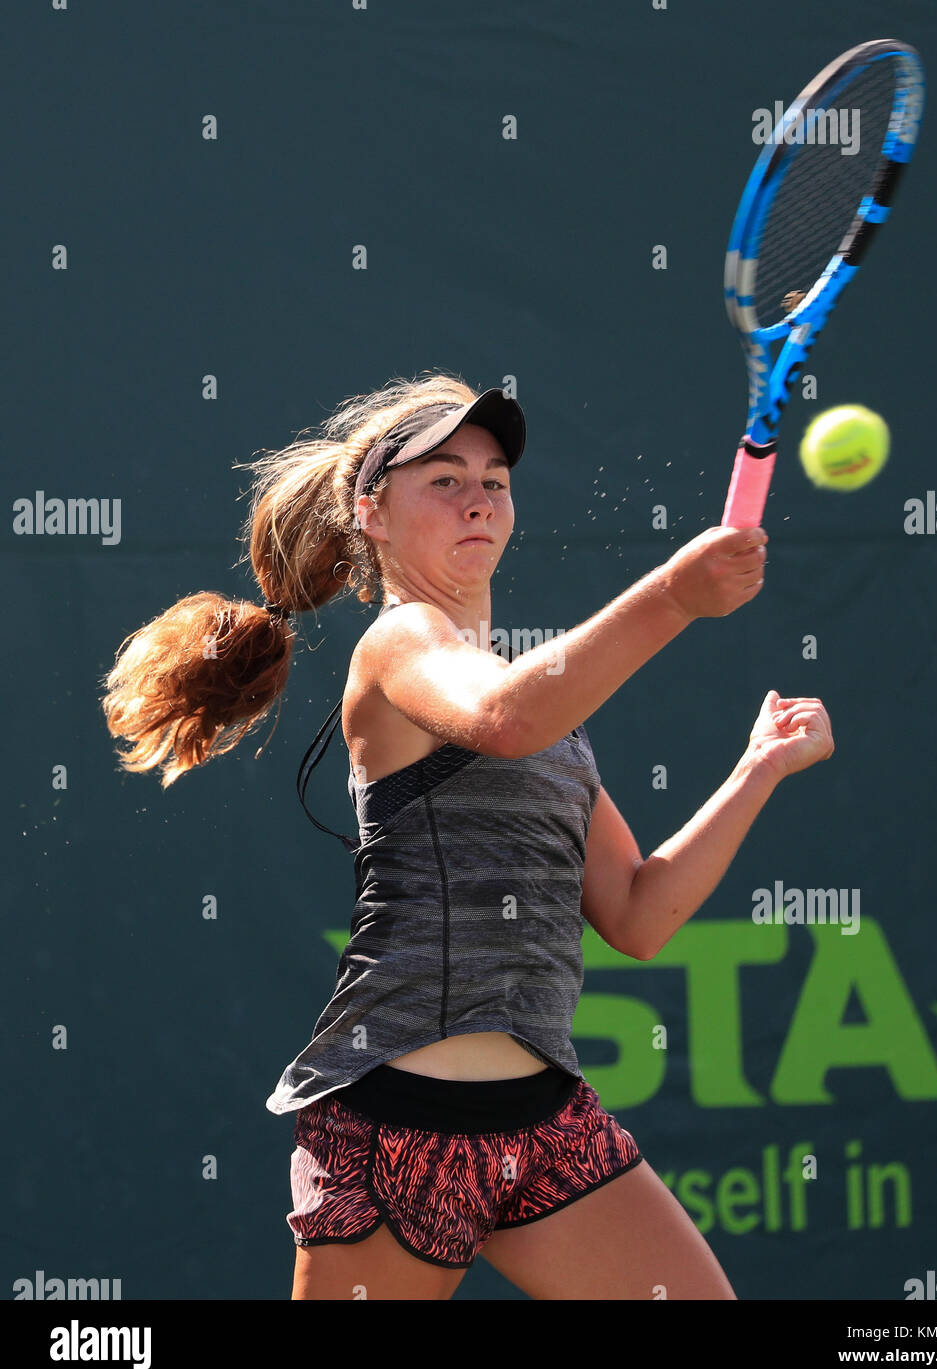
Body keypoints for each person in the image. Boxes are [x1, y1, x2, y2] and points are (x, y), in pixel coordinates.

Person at [102, 371, 834, 1300]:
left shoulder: (546, 712)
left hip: (544, 1126)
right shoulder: (398, 644)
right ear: (371, 513)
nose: (478, 496)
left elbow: (639, 914)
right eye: (443, 478)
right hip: (399, 1120)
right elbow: (501, 721)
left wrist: (755, 769)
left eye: (495, 478)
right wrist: (675, 596)